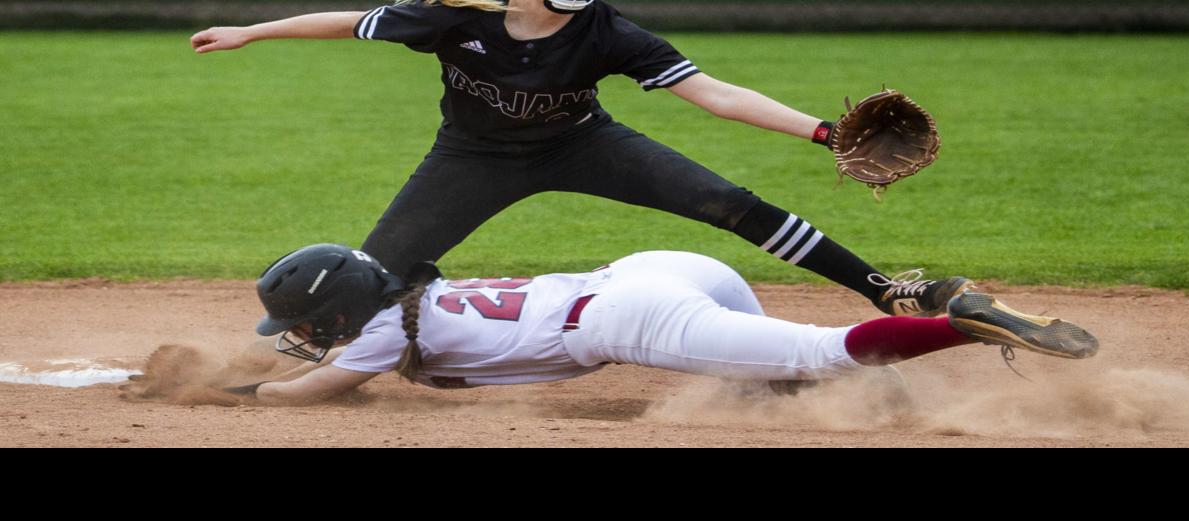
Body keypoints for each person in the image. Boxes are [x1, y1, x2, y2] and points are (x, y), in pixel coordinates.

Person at [191, 0, 971, 317]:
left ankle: (881, 287)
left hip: (583, 145)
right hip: (471, 157)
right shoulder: (452, 17)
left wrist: (822, 133)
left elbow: (713, 93)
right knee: (380, 269)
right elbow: (351, 20)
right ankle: (349, 356)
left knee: (727, 201)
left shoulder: (607, 33)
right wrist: (252, 31)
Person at [227, 244, 1098, 406]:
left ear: (341, 311)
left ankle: (964, 322)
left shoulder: (379, 337)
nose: (304, 335)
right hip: (657, 267)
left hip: (629, 315)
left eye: (305, 321)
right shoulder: (422, 298)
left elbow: (305, 393)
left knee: (818, 355)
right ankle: (875, 382)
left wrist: (237, 394)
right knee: (778, 384)